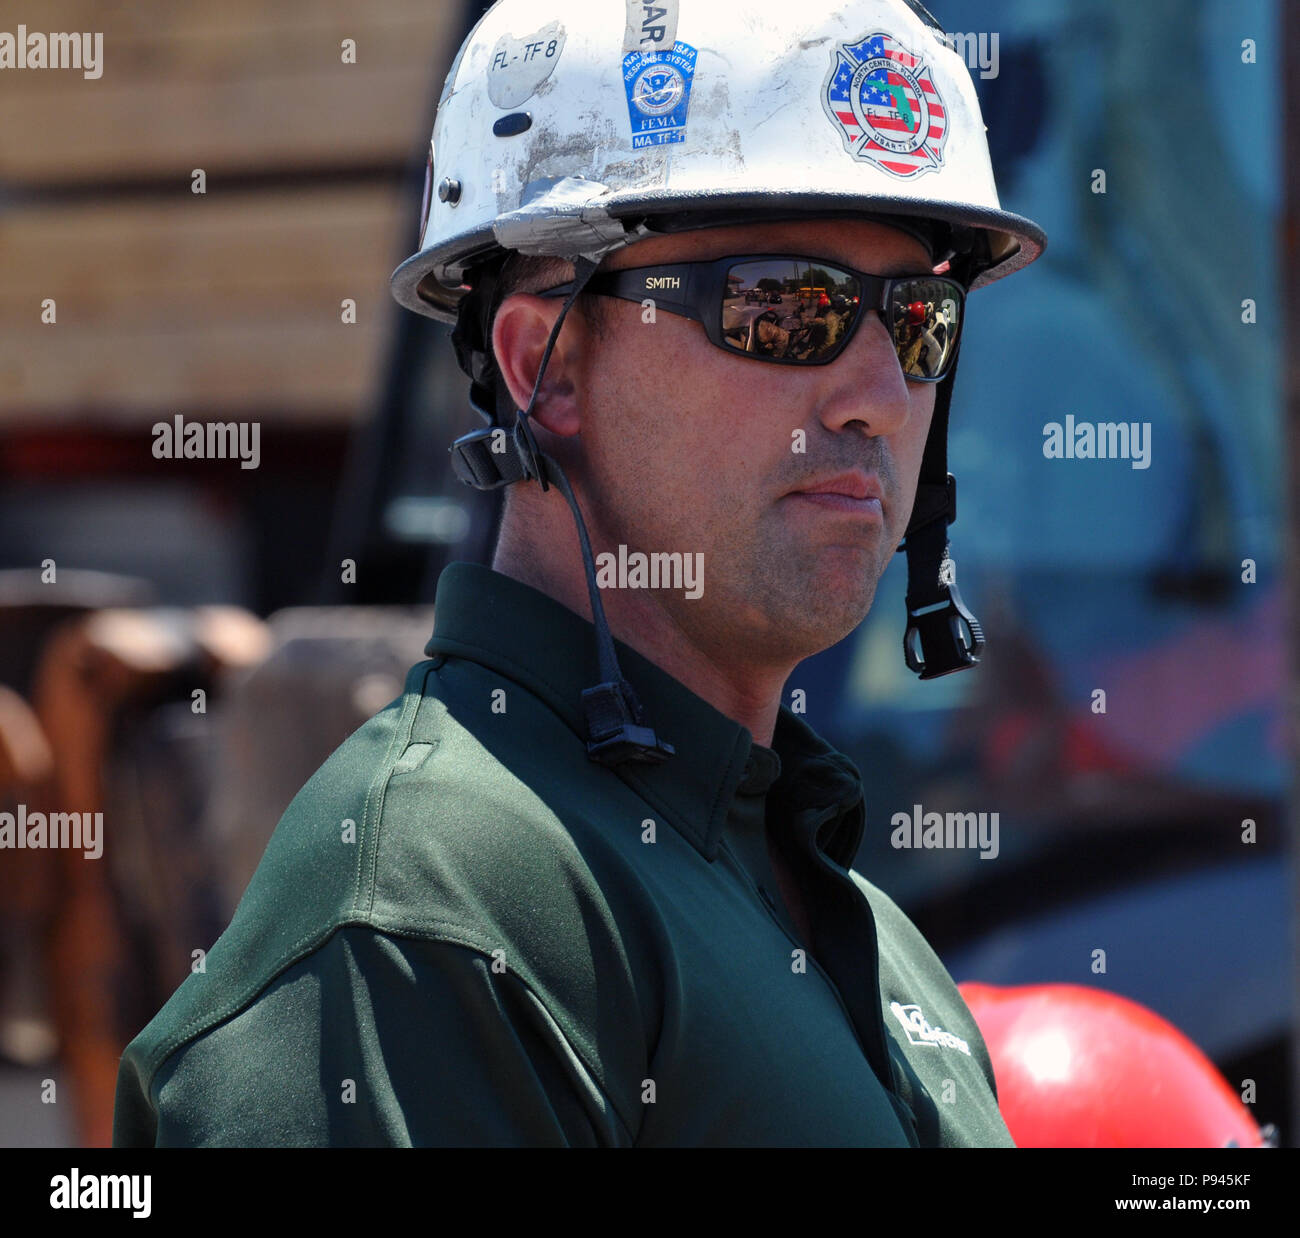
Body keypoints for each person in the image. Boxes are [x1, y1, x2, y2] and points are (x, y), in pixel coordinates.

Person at [113, 0, 1045, 1147]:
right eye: (784, 309)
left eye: (918, 320)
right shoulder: (430, 915)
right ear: (539, 366)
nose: (882, 396)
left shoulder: (866, 933)